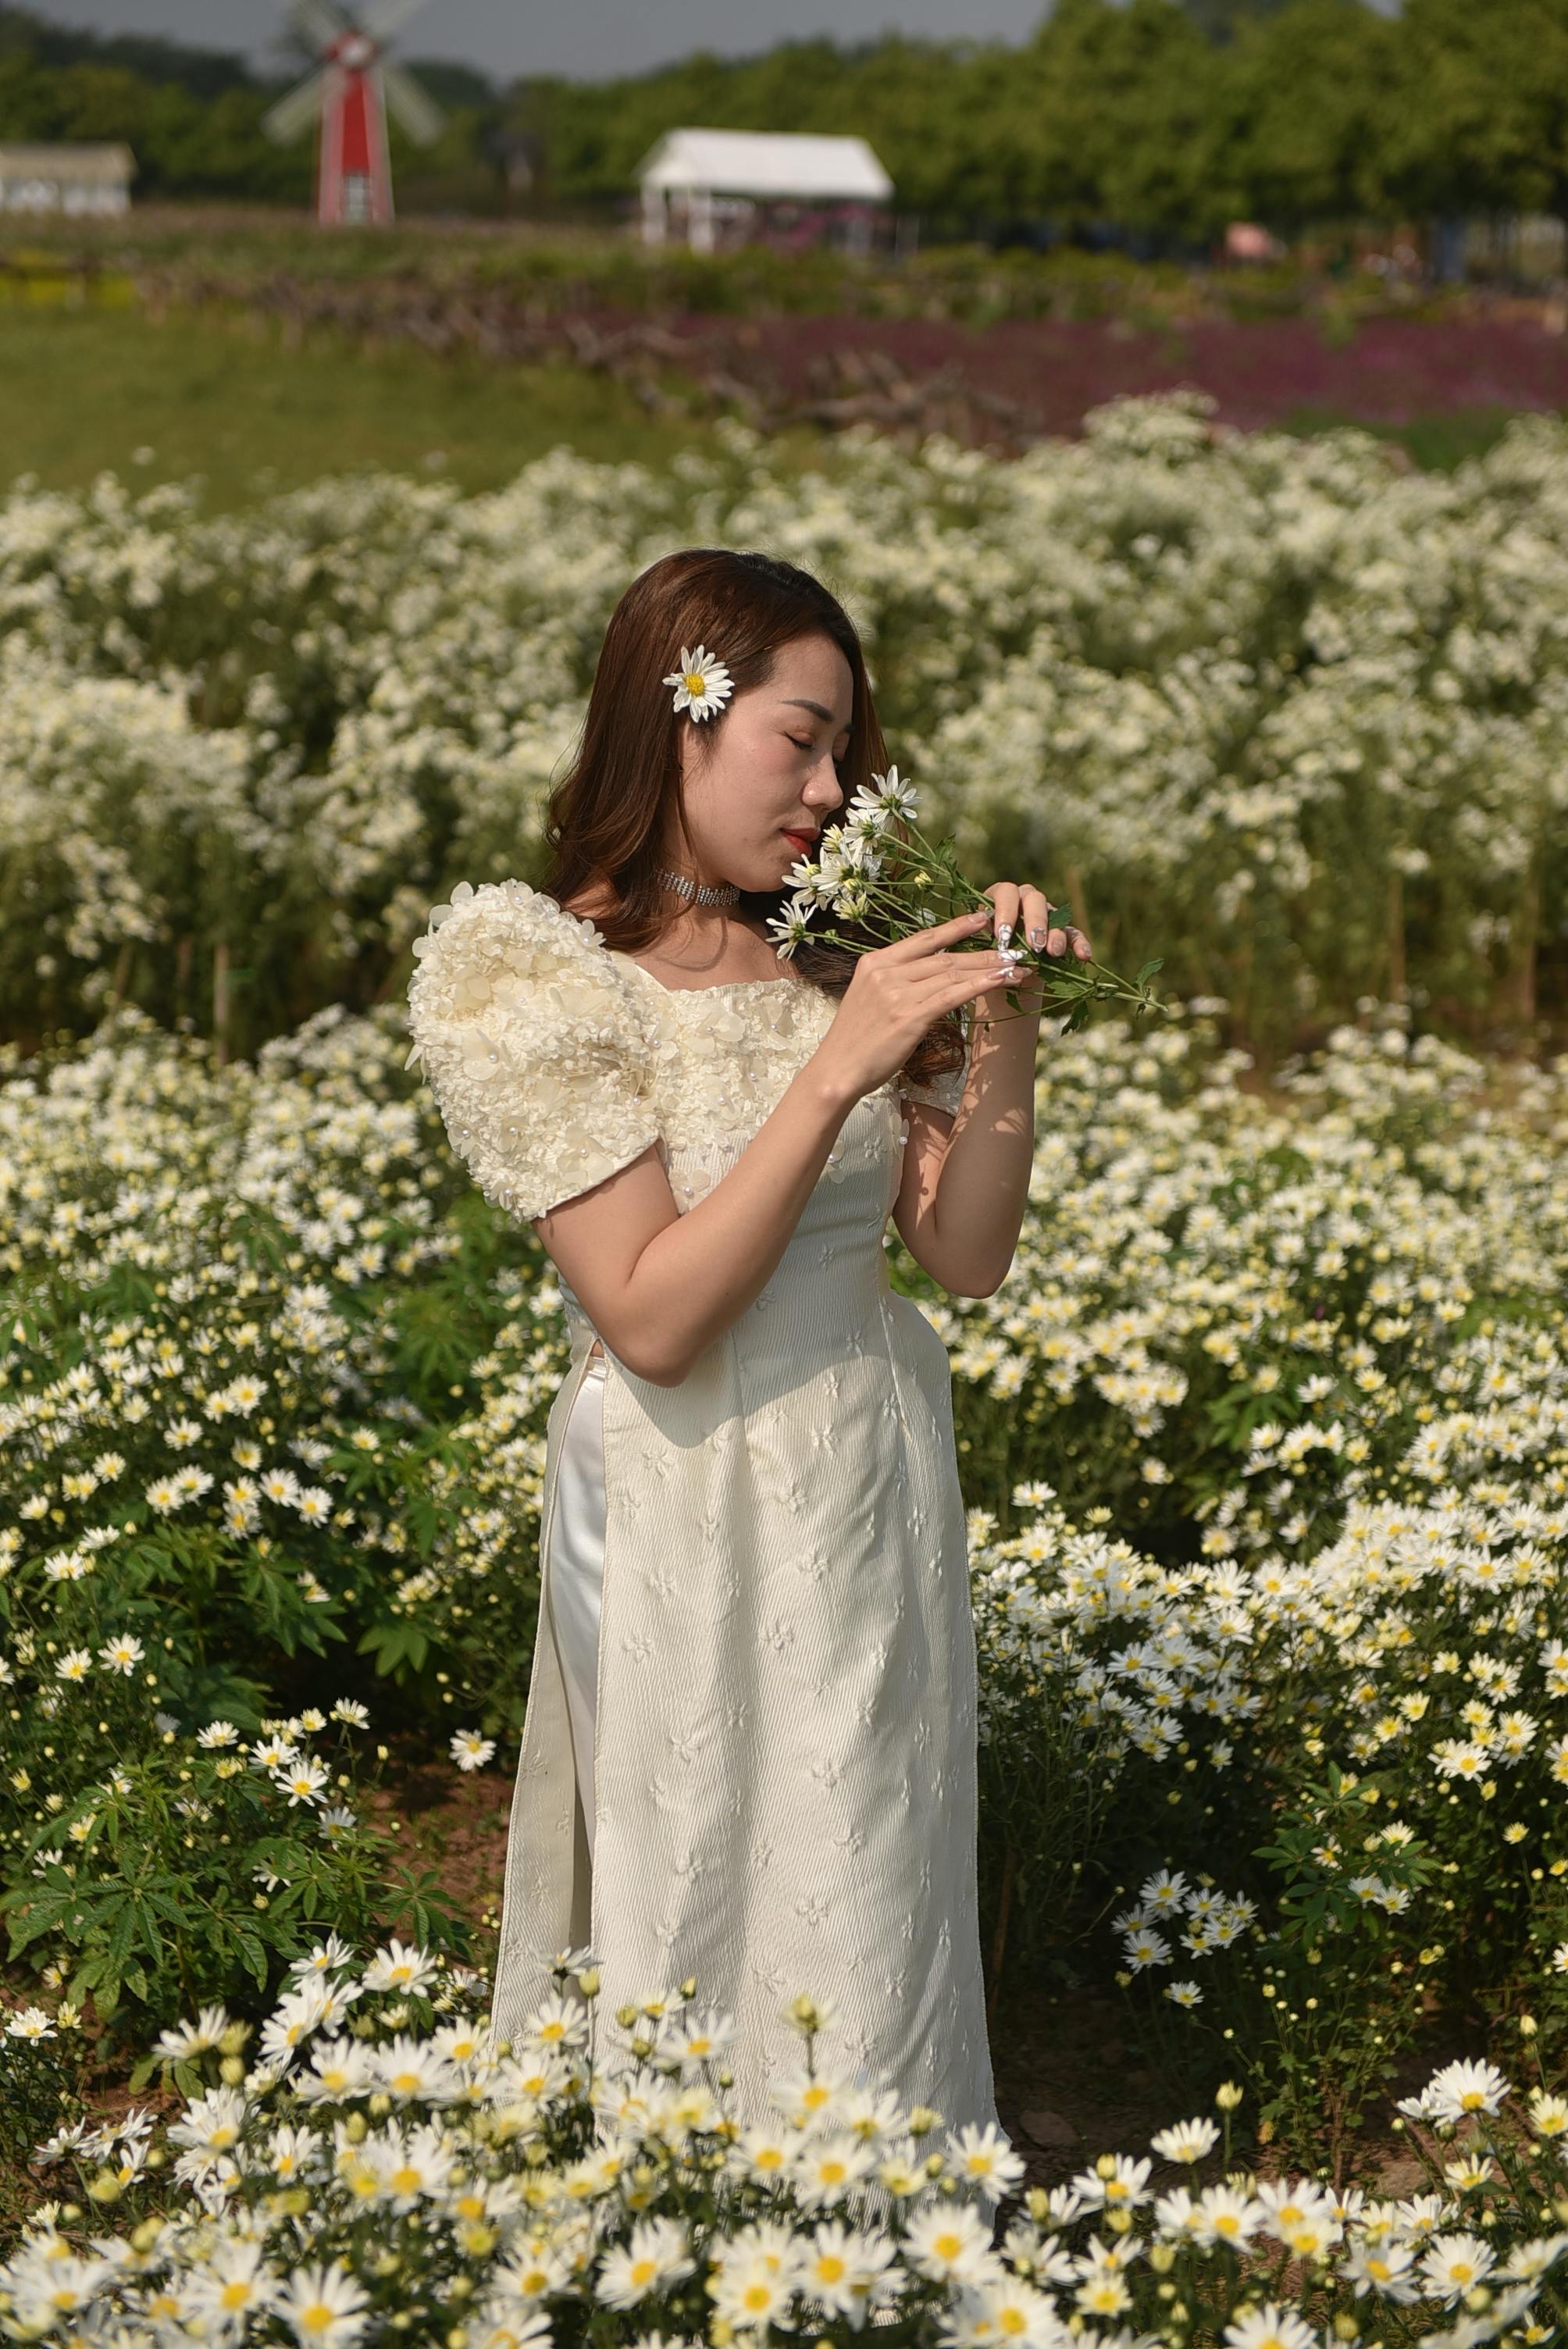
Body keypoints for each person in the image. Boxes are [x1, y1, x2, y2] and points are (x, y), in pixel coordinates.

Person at [405, 547, 1089, 2137]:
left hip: (858, 1461)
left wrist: (999, 1021)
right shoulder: (535, 975)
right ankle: (693, 2207)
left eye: (845, 748)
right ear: (682, 715)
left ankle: (875, 2217)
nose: (833, 786)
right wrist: (835, 1069)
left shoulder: (835, 968)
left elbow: (962, 1256)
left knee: (864, 1842)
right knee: (700, 1840)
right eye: (801, 736)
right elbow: (647, 1312)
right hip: (681, 1477)